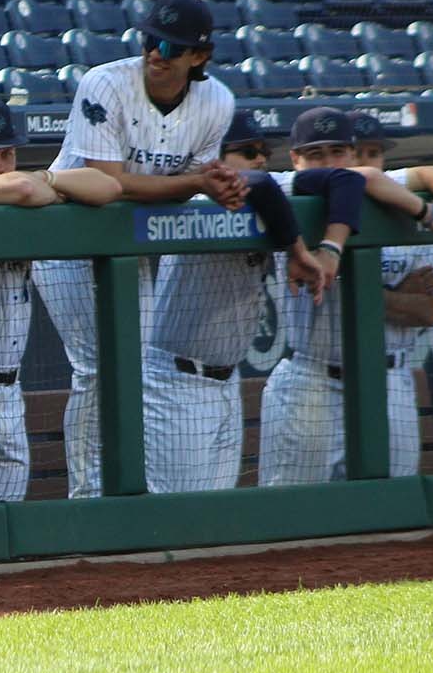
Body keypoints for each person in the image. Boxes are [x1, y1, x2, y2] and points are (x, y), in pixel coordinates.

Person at [30, 0, 246, 497]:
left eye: (172, 46)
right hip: (71, 233)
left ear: (199, 56)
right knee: (98, 366)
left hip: (125, 245)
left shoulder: (218, 101)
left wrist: (211, 183)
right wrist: (195, 184)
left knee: (132, 363)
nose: (156, 52)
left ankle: (126, 487)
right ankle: (88, 497)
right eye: (151, 39)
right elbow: (111, 184)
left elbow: (199, 178)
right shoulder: (105, 82)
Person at [0, 99, 122, 506]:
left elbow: (110, 186)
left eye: (7, 153)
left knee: (6, 529)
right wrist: (49, 186)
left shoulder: (28, 194)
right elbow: (23, 187)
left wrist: (49, 177)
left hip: (11, 395)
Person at [139, 107, 352, 493]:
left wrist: (331, 251)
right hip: (175, 380)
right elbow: (259, 183)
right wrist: (297, 247)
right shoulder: (193, 195)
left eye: (261, 151)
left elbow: (345, 180)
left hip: (226, 382)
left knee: (217, 515)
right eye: (246, 150)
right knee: (178, 516)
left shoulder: (268, 191)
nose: (258, 159)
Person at [256, 107, 433, 484]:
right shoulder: (287, 190)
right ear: (295, 159)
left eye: (338, 151)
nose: (328, 161)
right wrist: (394, 298)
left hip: (389, 380)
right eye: (315, 154)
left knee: (392, 514)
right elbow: (352, 178)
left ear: (353, 151)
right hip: (314, 378)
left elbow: (429, 311)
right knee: (293, 514)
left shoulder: (385, 189)